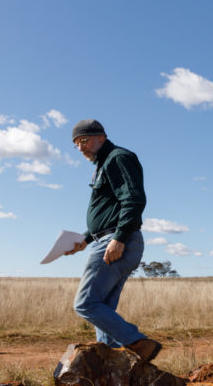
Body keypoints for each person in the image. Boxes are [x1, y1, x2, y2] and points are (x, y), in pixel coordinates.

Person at [65, 119, 162, 362]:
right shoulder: (103, 164)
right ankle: (113, 365)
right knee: (103, 308)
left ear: (102, 136)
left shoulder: (118, 158)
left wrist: (119, 238)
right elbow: (110, 209)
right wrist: (85, 239)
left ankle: (138, 342)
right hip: (108, 238)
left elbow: (133, 199)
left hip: (117, 240)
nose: (80, 148)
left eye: (84, 140)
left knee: (85, 304)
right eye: (76, 144)